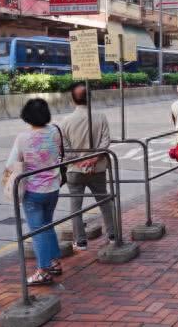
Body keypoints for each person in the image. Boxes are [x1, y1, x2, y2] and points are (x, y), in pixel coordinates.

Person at [6, 99, 63, 286]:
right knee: (48, 225)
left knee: (38, 232)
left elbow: (10, 164)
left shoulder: (23, 138)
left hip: (33, 191)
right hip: (53, 188)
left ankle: (43, 270)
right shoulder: (55, 131)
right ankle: (54, 262)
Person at [60, 82, 116, 252]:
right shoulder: (101, 117)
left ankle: (81, 241)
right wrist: (92, 159)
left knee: (75, 206)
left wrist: (79, 162)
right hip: (98, 168)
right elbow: (106, 141)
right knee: (105, 201)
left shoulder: (66, 121)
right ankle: (113, 235)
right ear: (90, 97)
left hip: (75, 170)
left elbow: (65, 147)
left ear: (72, 98)